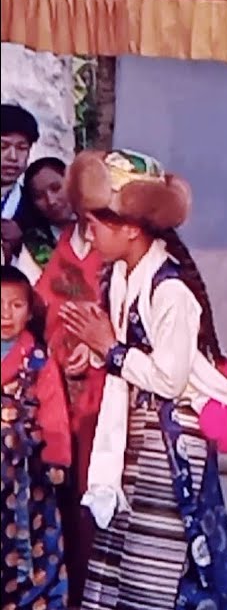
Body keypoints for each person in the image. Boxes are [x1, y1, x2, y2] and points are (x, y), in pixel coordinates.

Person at [57, 148, 227, 610]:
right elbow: (126, 354)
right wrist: (94, 351)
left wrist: (109, 349)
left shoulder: (171, 291)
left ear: (130, 227)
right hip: (137, 433)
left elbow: (169, 378)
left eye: (96, 223)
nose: (89, 233)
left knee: (155, 569)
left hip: (169, 443)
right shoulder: (122, 275)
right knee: (119, 558)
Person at [28, 156, 103, 608]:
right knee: (68, 491)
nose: (57, 201)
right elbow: (47, 310)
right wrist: (61, 348)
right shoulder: (62, 249)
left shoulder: (108, 248)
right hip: (62, 385)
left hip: (105, 385)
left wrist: (95, 351)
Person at [2, 265, 72, 610]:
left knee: (33, 557)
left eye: (15, 305)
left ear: (30, 311)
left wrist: (57, 458)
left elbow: (54, 413)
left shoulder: (38, 360)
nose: (5, 314)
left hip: (28, 479)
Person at [1, 103, 39, 262]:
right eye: (3, 146)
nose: (13, 157)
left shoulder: (36, 206)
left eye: (22, 148)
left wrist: (22, 243)